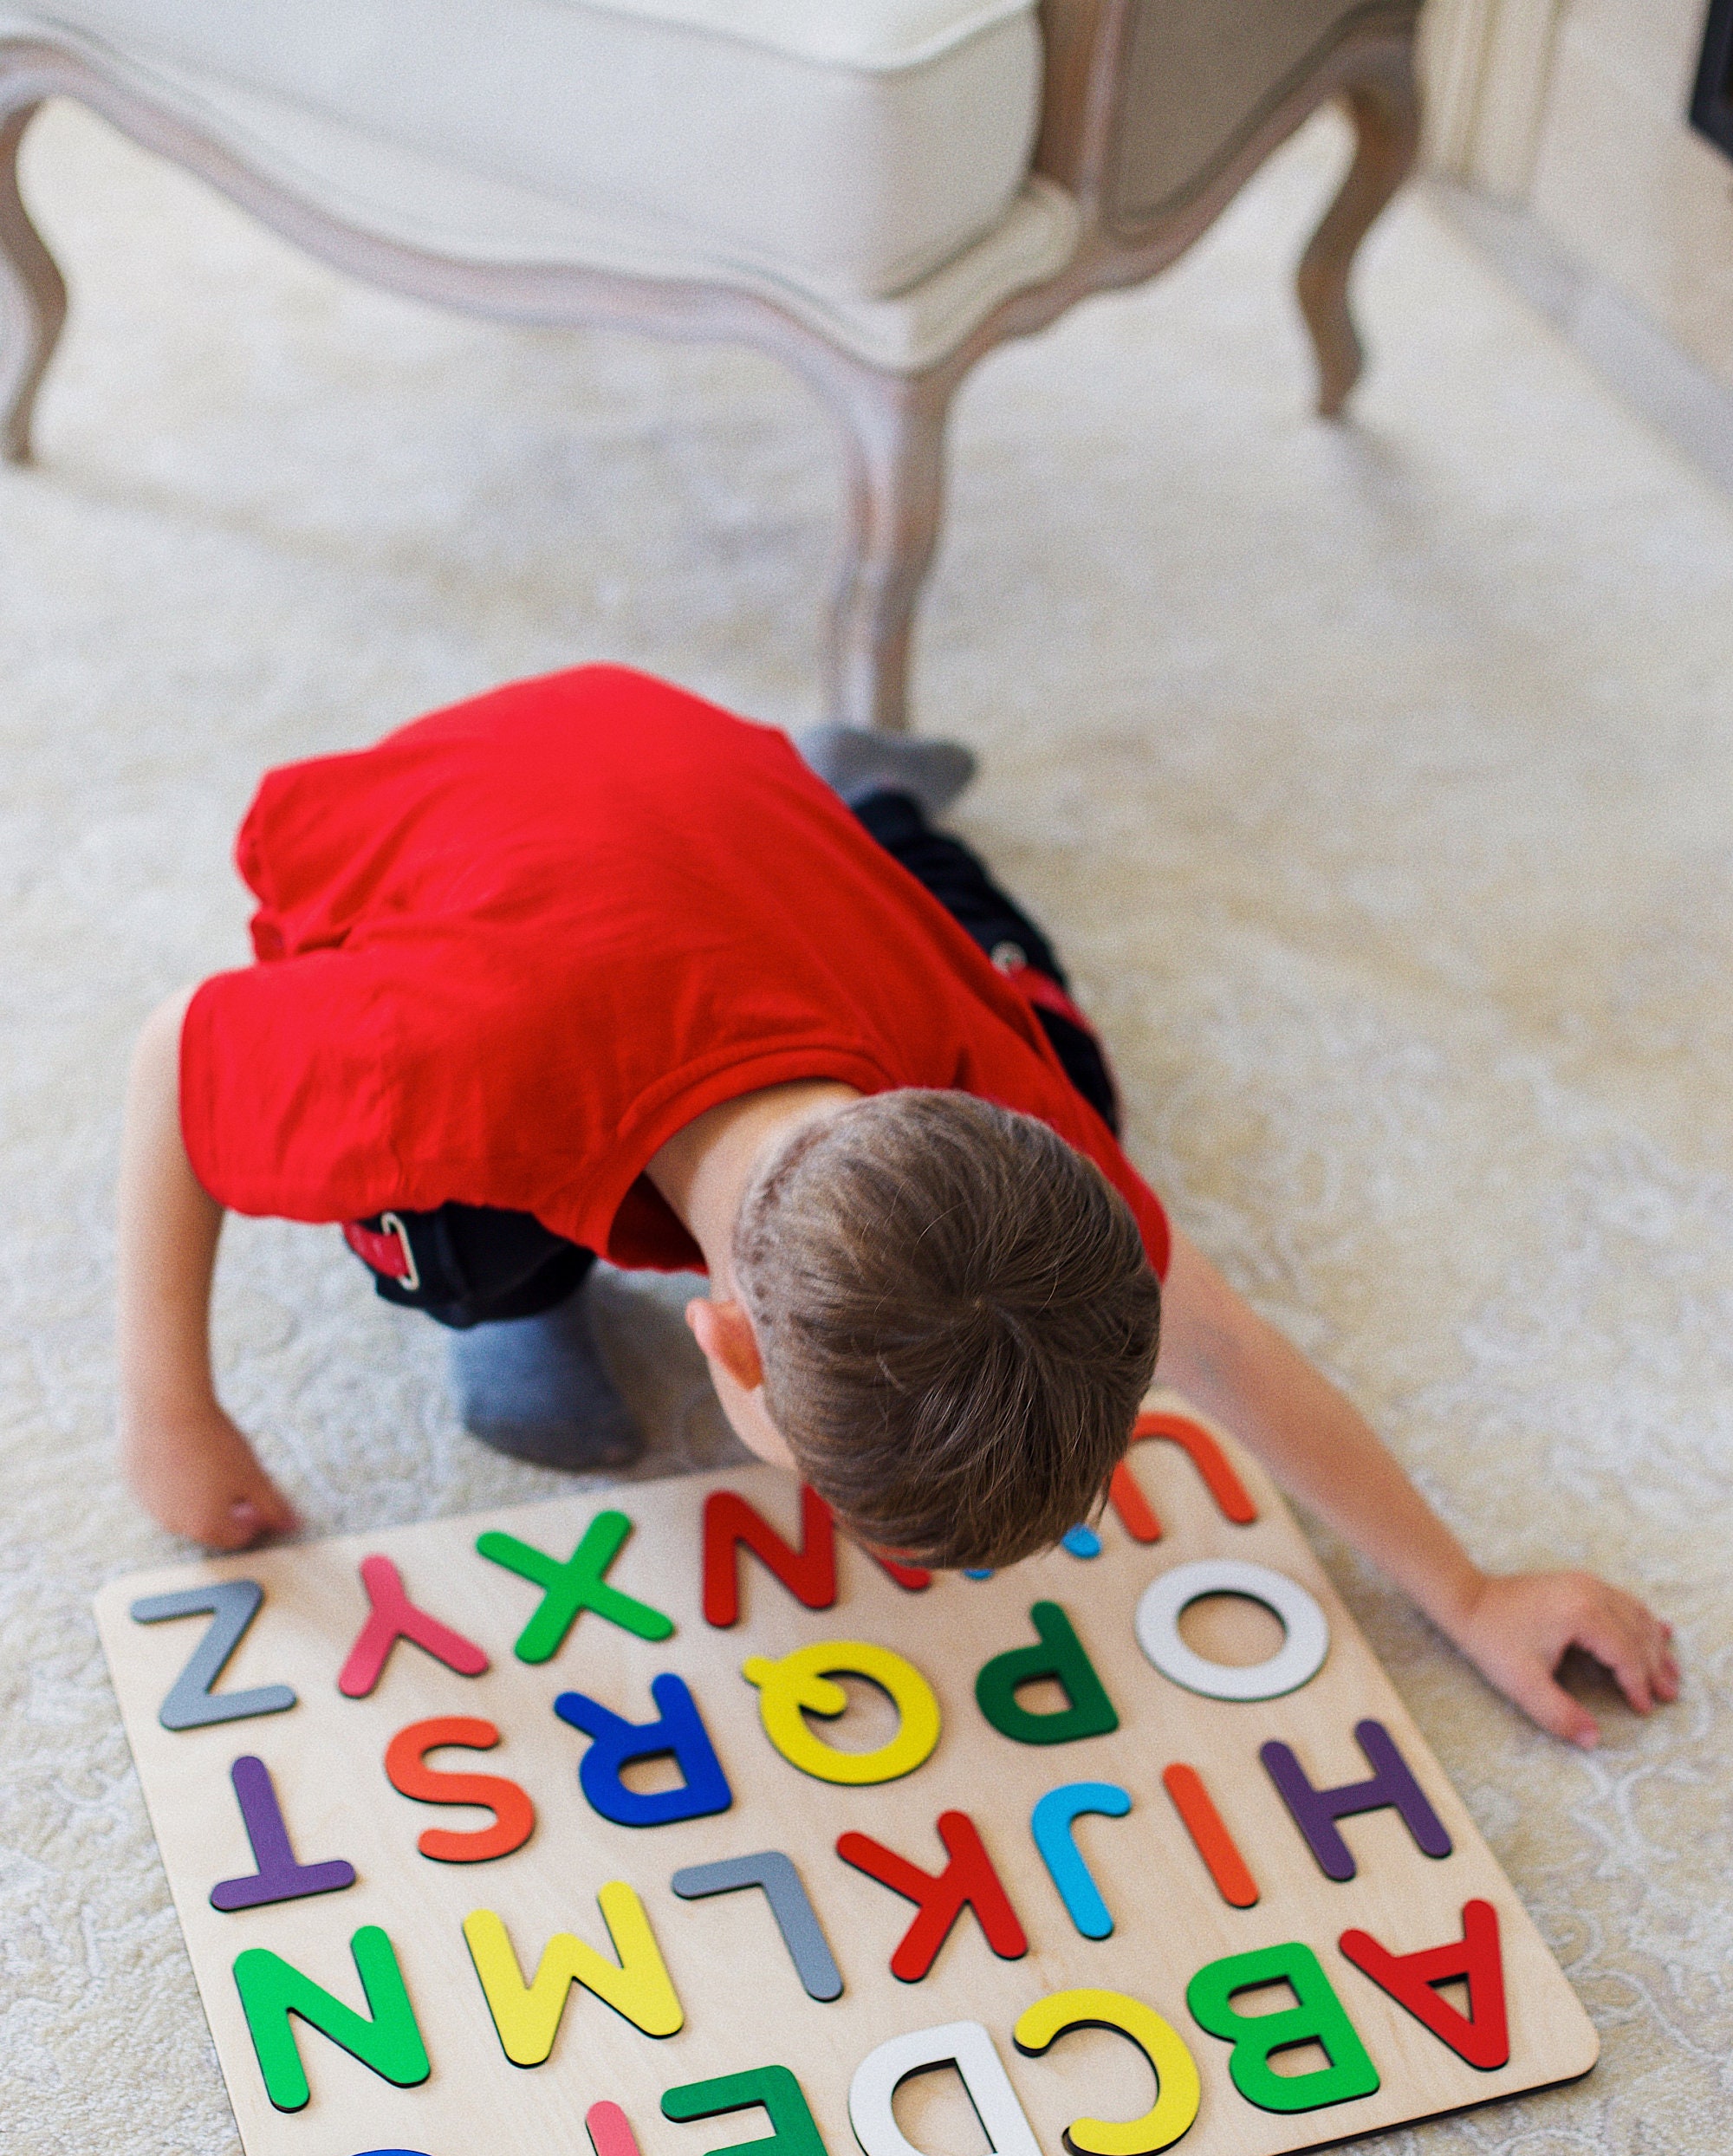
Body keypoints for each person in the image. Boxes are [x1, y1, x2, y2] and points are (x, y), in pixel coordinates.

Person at [117, 666, 1677, 1750]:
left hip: (726, 815)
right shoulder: (439, 1075)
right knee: (447, 1253)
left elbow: (1221, 1350)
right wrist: (169, 1407)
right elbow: (176, 1059)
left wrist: (1467, 1592)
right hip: (456, 815)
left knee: (1061, 1044)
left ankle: (865, 797)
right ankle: (519, 1289)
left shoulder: (1001, 1122)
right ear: (723, 1343)